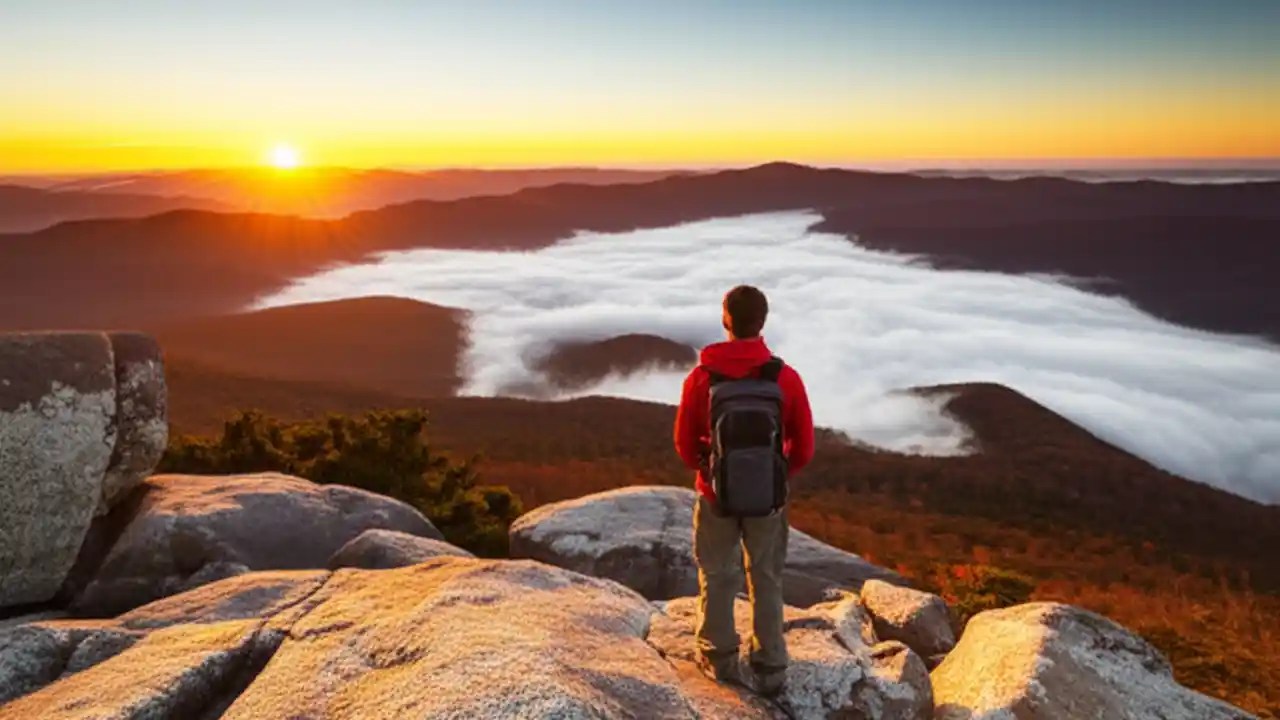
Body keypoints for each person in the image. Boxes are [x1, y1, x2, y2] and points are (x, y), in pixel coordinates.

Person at [673, 285, 814, 696]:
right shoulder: (784, 378)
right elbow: (803, 446)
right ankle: (770, 666)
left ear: (726, 320)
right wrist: (774, 475)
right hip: (768, 499)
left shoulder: (702, 378)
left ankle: (719, 659)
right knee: (766, 577)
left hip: (716, 495)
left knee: (718, 574)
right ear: (763, 322)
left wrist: (711, 472)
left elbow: (684, 444)